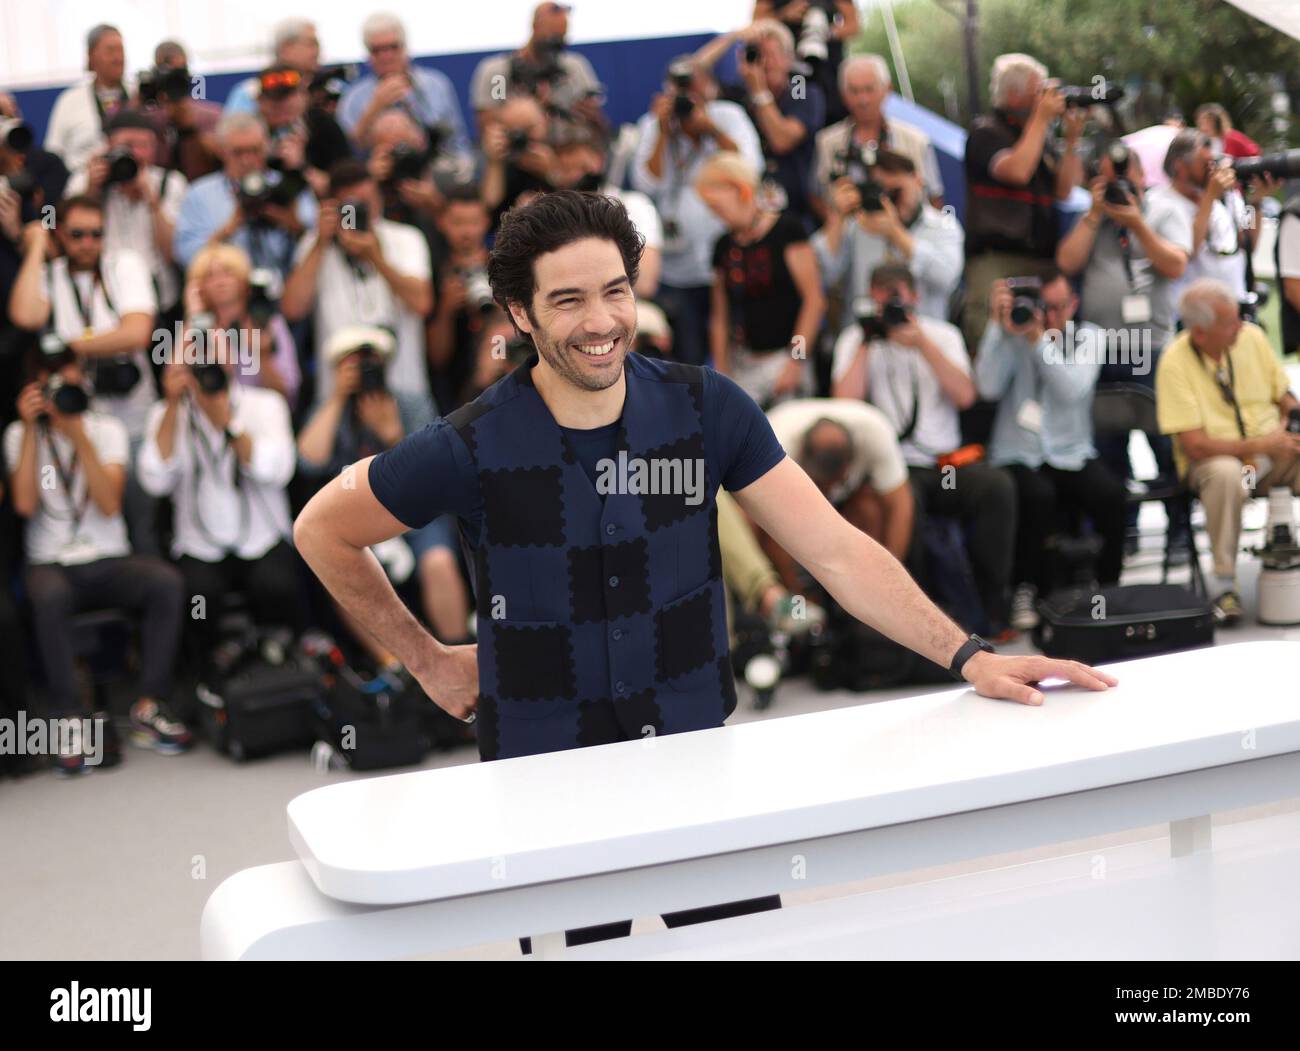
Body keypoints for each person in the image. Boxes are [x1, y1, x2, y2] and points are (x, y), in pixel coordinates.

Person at [293, 185, 1116, 843]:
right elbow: (321, 529)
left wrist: (969, 654)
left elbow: (832, 549)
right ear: (520, 313)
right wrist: (427, 659)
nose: (601, 322)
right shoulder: (465, 443)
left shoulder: (706, 407)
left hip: (696, 751)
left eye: (615, 291)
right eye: (568, 300)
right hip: (542, 776)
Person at [5, 344, 190, 773]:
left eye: (66, 380)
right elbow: (24, 505)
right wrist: (34, 431)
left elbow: (108, 503)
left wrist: (78, 435)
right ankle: (71, 716)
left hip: (107, 556)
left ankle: (150, 702)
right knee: (47, 599)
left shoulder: (105, 429)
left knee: (166, 582)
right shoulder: (19, 434)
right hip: (50, 560)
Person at [833, 264, 1015, 634]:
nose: (892, 309)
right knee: (906, 507)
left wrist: (922, 345)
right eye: (883, 301)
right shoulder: (856, 339)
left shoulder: (941, 335)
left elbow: (966, 396)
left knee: (998, 488)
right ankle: (915, 621)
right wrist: (870, 339)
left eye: (898, 298)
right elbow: (844, 404)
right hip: (893, 466)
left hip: (946, 465)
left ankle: (990, 605)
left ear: (915, 297)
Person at [136, 306, 301, 684]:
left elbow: (275, 471)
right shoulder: (166, 413)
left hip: (261, 536)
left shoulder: (264, 405)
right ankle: (208, 676)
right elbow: (155, 481)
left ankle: (278, 667)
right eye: (199, 353)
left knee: (278, 585)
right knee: (197, 601)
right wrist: (174, 405)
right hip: (200, 544)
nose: (209, 362)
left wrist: (227, 422)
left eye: (216, 350)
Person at [298, 325, 471, 661]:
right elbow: (307, 460)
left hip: (415, 509)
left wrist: (393, 436)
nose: (365, 372)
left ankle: (459, 652)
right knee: (340, 574)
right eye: (354, 365)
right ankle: (394, 669)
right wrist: (336, 398)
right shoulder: (329, 408)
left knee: (439, 561)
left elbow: (435, 475)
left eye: (371, 363)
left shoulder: (410, 402)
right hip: (355, 516)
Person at [974, 273, 1127, 631]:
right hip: (1018, 452)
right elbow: (986, 387)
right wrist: (998, 328)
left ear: (1073, 304)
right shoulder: (1011, 333)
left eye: (1057, 307)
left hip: (1071, 452)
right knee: (1036, 496)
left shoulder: (1089, 336)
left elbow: (1072, 389)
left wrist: (1038, 341)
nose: (1049, 315)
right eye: (1043, 306)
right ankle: (1028, 590)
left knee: (1111, 495)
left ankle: (1108, 588)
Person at [8, 198, 161, 554]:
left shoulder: (123, 264)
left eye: (96, 234)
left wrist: (69, 347)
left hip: (132, 419)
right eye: (77, 235)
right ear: (59, 232)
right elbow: (25, 316)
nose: (88, 243)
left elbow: (137, 334)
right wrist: (35, 249)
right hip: (76, 421)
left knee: (142, 525)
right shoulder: (52, 275)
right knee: (97, 522)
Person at [1056, 143, 1191, 544]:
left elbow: (1176, 264)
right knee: (1108, 443)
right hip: (1102, 346)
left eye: (1122, 177)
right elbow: (1067, 263)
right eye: (1106, 179)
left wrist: (1137, 223)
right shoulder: (1090, 217)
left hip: (1151, 344)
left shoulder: (1163, 210)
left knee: (1165, 439)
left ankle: (1179, 528)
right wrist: (1095, 214)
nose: (1116, 186)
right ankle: (1121, 530)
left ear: (1140, 176)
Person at [1155, 279, 1300, 625]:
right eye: (1229, 322)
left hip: (1273, 455)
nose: (1240, 326)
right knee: (1225, 473)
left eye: (1238, 317)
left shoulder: (1251, 337)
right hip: (1216, 464)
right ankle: (1224, 585)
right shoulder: (1174, 361)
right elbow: (1195, 444)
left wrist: (1290, 421)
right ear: (1201, 333)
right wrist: (1260, 445)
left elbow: (1285, 395)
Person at [632, 57, 762, 367]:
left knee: (734, 345)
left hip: (728, 256)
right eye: (680, 90)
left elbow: (749, 170)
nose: (687, 98)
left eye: (694, 87)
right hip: (680, 269)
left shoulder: (728, 116)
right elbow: (646, 182)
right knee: (688, 356)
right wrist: (664, 133)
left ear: (709, 86)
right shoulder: (653, 123)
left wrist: (710, 130)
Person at [281, 160, 434, 407]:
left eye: (368, 200)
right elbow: (292, 309)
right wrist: (321, 242)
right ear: (335, 206)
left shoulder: (406, 238)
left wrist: (376, 258)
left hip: (404, 387)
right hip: (337, 393)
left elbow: (422, 303)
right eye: (353, 205)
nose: (364, 211)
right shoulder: (315, 244)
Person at [961, 53, 1085, 352]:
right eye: (1039, 90)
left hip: (1040, 258)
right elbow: (1017, 170)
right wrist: (1042, 119)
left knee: (1040, 341)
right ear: (1013, 94)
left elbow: (1065, 189)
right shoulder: (985, 132)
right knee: (990, 334)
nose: (1046, 98)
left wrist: (1071, 141)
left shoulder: (1039, 137)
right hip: (997, 259)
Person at [696, 151, 824, 406]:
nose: (714, 215)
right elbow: (720, 317)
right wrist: (721, 372)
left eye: (716, 206)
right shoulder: (723, 246)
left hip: (785, 357)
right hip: (744, 360)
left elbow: (814, 301)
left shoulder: (788, 231)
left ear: (740, 190)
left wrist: (795, 360)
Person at [695, 19, 826, 231]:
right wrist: (733, 37)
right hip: (751, 212)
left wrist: (760, 94)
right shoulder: (741, 92)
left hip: (797, 212)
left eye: (771, 56)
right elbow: (693, 72)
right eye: (757, 55)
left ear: (788, 58)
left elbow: (782, 140)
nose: (763, 64)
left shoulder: (799, 87)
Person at [812, 147, 962, 325]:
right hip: (866, 338)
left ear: (918, 181)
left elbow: (947, 278)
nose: (889, 202)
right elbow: (822, 275)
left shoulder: (943, 225)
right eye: (883, 193)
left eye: (896, 193)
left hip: (923, 338)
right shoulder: (859, 226)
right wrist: (836, 218)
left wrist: (896, 233)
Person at [765, 396, 915, 565]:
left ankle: (866, 576)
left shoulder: (875, 431)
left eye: (837, 483)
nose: (829, 492)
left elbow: (901, 508)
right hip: (788, 508)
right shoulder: (773, 444)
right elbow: (764, 523)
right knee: (773, 528)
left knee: (870, 509)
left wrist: (891, 574)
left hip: (852, 503)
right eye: (821, 485)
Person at [67, 110, 187, 319]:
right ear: (108, 146)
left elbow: (174, 253)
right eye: (128, 145)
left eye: (145, 146)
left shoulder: (171, 183)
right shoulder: (83, 181)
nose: (137, 154)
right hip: (103, 299)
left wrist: (153, 202)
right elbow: (66, 242)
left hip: (161, 298)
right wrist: (92, 190)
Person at [172, 112, 319, 281]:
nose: (247, 160)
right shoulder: (198, 195)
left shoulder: (289, 187)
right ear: (221, 151)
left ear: (267, 147)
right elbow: (186, 258)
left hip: (284, 288)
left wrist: (293, 224)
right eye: (238, 152)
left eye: (255, 150)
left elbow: (319, 244)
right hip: (225, 295)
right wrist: (229, 228)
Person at [812, 54, 943, 218]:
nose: (863, 99)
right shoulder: (826, 143)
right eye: (854, 91)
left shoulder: (916, 141)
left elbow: (934, 198)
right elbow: (816, 196)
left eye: (869, 89)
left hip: (905, 237)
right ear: (843, 95)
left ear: (887, 90)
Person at [184, 244, 300, 409]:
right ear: (199, 287)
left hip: (263, 416)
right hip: (214, 416)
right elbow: (173, 383)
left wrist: (263, 356)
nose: (220, 282)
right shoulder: (196, 328)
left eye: (228, 272)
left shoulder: (268, 323)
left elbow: (286, 394)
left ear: (244, 279)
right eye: (209, 276)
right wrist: (194, 316)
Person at [338, 12, 469, 156]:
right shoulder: (353, 97)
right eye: (377, 50)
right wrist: (375, 106)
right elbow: (349, 150)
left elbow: (457, 140)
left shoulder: (435, 85)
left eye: (393, 47)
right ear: (368, 54)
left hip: (436, 169)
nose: (386, 56)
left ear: (405, 47)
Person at [1148, 129, 1248, 311]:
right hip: (1194, 315)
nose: (1212, 169)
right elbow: (1189, 251)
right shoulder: (1160, 202)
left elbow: (1246, 242)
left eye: (1213, 162)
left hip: (1233, 306)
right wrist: (1210, 197)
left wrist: (1255, 202)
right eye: (1205, 163)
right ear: (1180, 166)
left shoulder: (1224, 199)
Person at [469, 2, 605, 130]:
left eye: (560, 39)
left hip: (567, 143)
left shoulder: (574, 68)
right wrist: (528, 109)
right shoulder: (499, 73)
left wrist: (583, 113)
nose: (553, 45)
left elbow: (598, 122)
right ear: (535, 26)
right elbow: (487, 123)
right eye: (551, 36)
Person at [44, 25, 131, 176]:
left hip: (131, 182)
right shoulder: (69, 100)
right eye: (110, 51)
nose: (118, 58)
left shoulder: (137, 95)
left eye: (121, 50)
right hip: (81, 185)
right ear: (91, 55)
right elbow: (54, 153)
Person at [224, 19, 322, 117]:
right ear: (286, 47)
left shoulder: (324, 88)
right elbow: (238, 130)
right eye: (311, 44)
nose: (317, 50)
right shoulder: (250, 92)